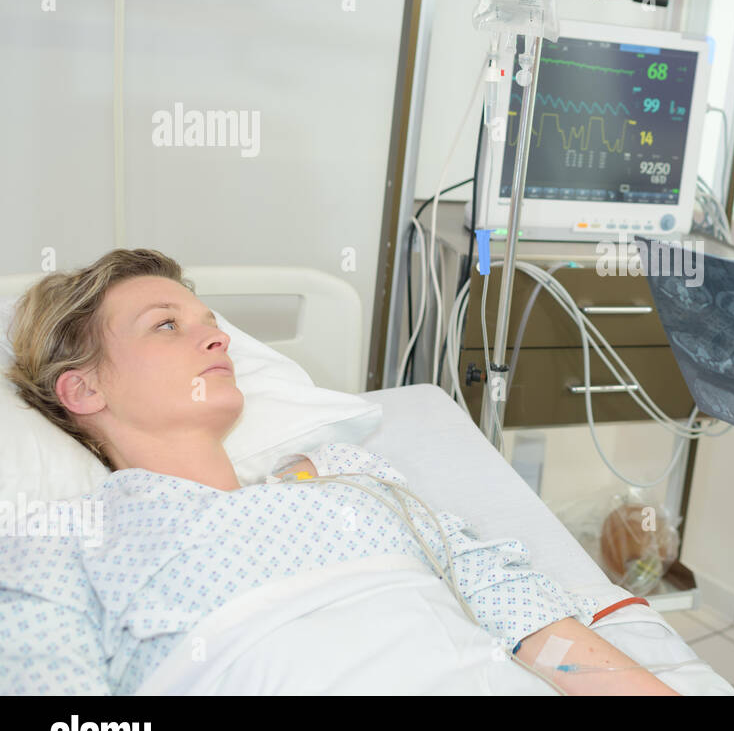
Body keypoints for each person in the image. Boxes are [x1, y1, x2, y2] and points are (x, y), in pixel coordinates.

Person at [0, 249, 677, 695]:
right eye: (165, 325)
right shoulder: (65, 544)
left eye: (210, 321)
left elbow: (519, 615)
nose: (219, 337)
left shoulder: (344, 478)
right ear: (83, 389)